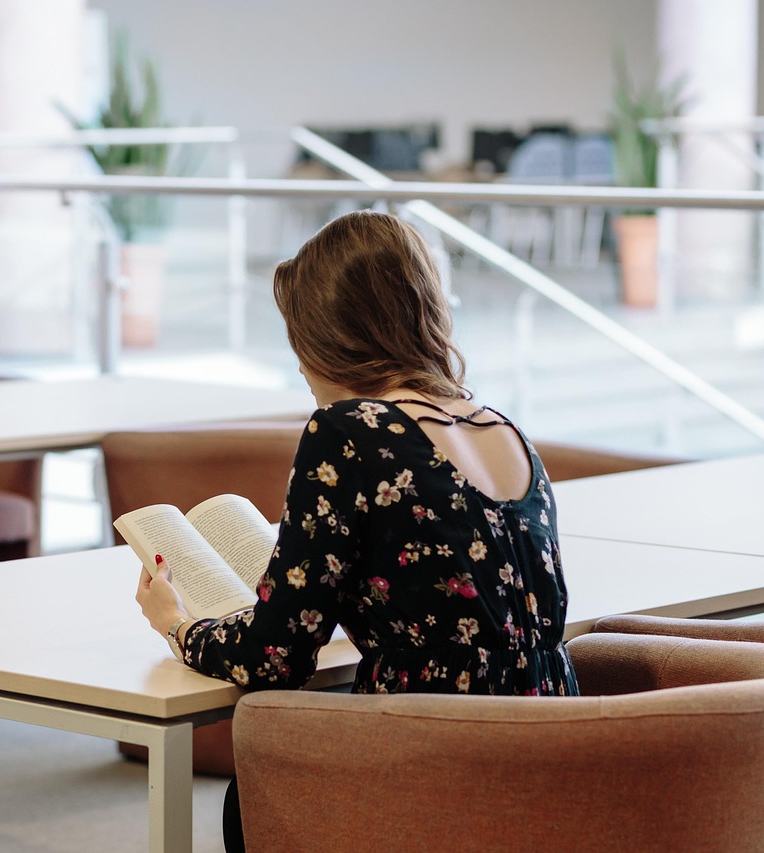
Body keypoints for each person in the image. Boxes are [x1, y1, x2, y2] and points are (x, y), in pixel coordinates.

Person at [135, 209, 579, 852]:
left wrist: (177, 624)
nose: (299, 369)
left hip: (439, 761)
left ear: (330, 337)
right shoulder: (505, 430)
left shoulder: (348, 430)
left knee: (251, 790)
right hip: (559, 756)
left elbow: (275, 658)